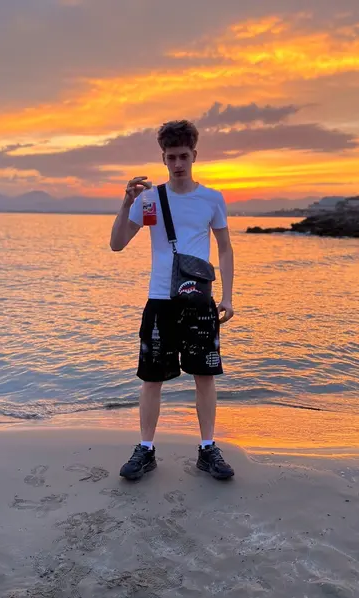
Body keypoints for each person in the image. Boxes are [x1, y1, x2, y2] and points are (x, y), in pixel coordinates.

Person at [110, 120, 235, 481]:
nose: (178, 163)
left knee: (205, 376)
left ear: (194, 155)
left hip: (198, 299)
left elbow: (225, 248)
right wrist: (126, 203)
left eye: (183, 156)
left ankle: (208, 449)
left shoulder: (212, 199)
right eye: (171, 157)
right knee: (152, 378)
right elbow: (117, 244)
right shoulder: (150, 199)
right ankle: (146, 449)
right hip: (159, 298)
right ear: (163, 159)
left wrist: (227, 296)